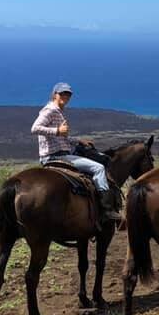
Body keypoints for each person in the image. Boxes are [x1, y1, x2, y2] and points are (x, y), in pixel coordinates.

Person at [30, 82, 121, 223]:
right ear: (54, 95)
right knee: (99, 168)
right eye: (62, 93)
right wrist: (57, 130)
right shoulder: (50, 110)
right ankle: (107, 209)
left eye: (68, 94)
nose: (65, 96)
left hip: (58, 154)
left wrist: (78, 141)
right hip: (57, 156)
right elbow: (35, 128)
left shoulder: (58, 111)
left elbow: (62, 138)